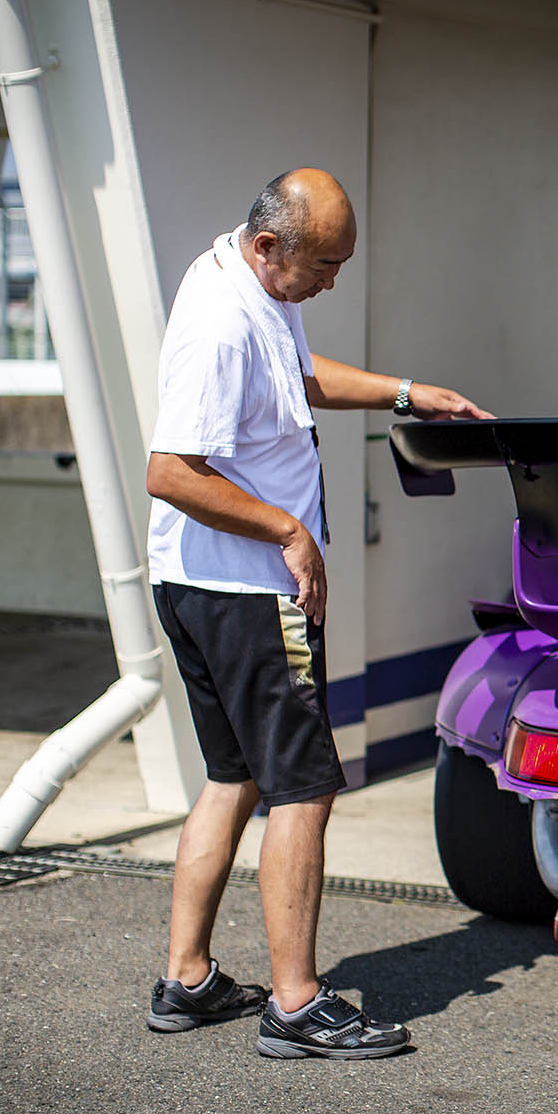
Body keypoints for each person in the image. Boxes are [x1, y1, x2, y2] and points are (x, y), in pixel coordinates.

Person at [144, 168, 489, 1059]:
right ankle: (296, 1004)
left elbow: (299, 377)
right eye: (326, 263)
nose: (334, 279)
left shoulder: (246, 279)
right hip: (250, 593)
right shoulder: (222, 323)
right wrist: (289, 532)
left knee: (234, 777)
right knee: (305, 788)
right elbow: (172, 472)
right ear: (270, 245)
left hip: (198, 585)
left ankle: (186, 980)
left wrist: (408, 393)